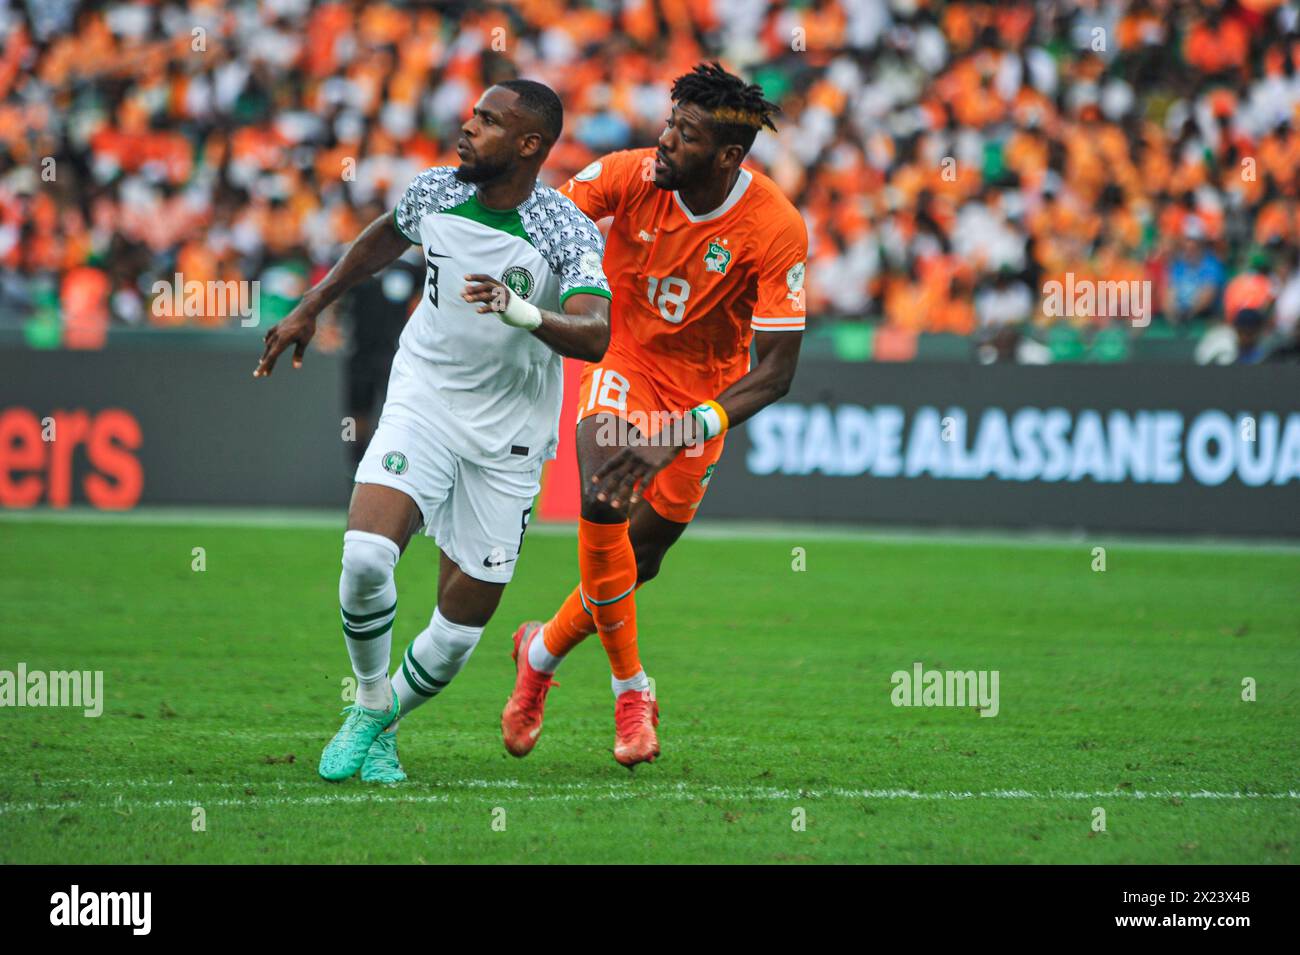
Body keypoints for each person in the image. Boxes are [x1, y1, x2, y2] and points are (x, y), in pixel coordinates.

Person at [254, 80, 612, 783]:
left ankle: (383, 721)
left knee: (455, 638)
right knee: (363, 557)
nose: (468, 126)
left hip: (509, 437)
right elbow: (386, 237)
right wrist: (312, 302)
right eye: (473, 113)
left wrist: (524, 312)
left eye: (489, 120)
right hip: (425, 398)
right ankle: (366, 705)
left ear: (530, 144)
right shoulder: (434, 191)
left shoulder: (565, 229)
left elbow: (596, 334)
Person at [501, 63, 807, 767]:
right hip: (622, 360)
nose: (664, 140)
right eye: (670, 122)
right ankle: (632, 691)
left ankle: (539, 650)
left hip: (701, 398)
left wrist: (683, 431)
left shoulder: (775, 227)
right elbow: (537, 217)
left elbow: (776, 373)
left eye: (686, 133)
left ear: (728, 156)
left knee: (640, 561)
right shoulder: (629, 175)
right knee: (605, 494)